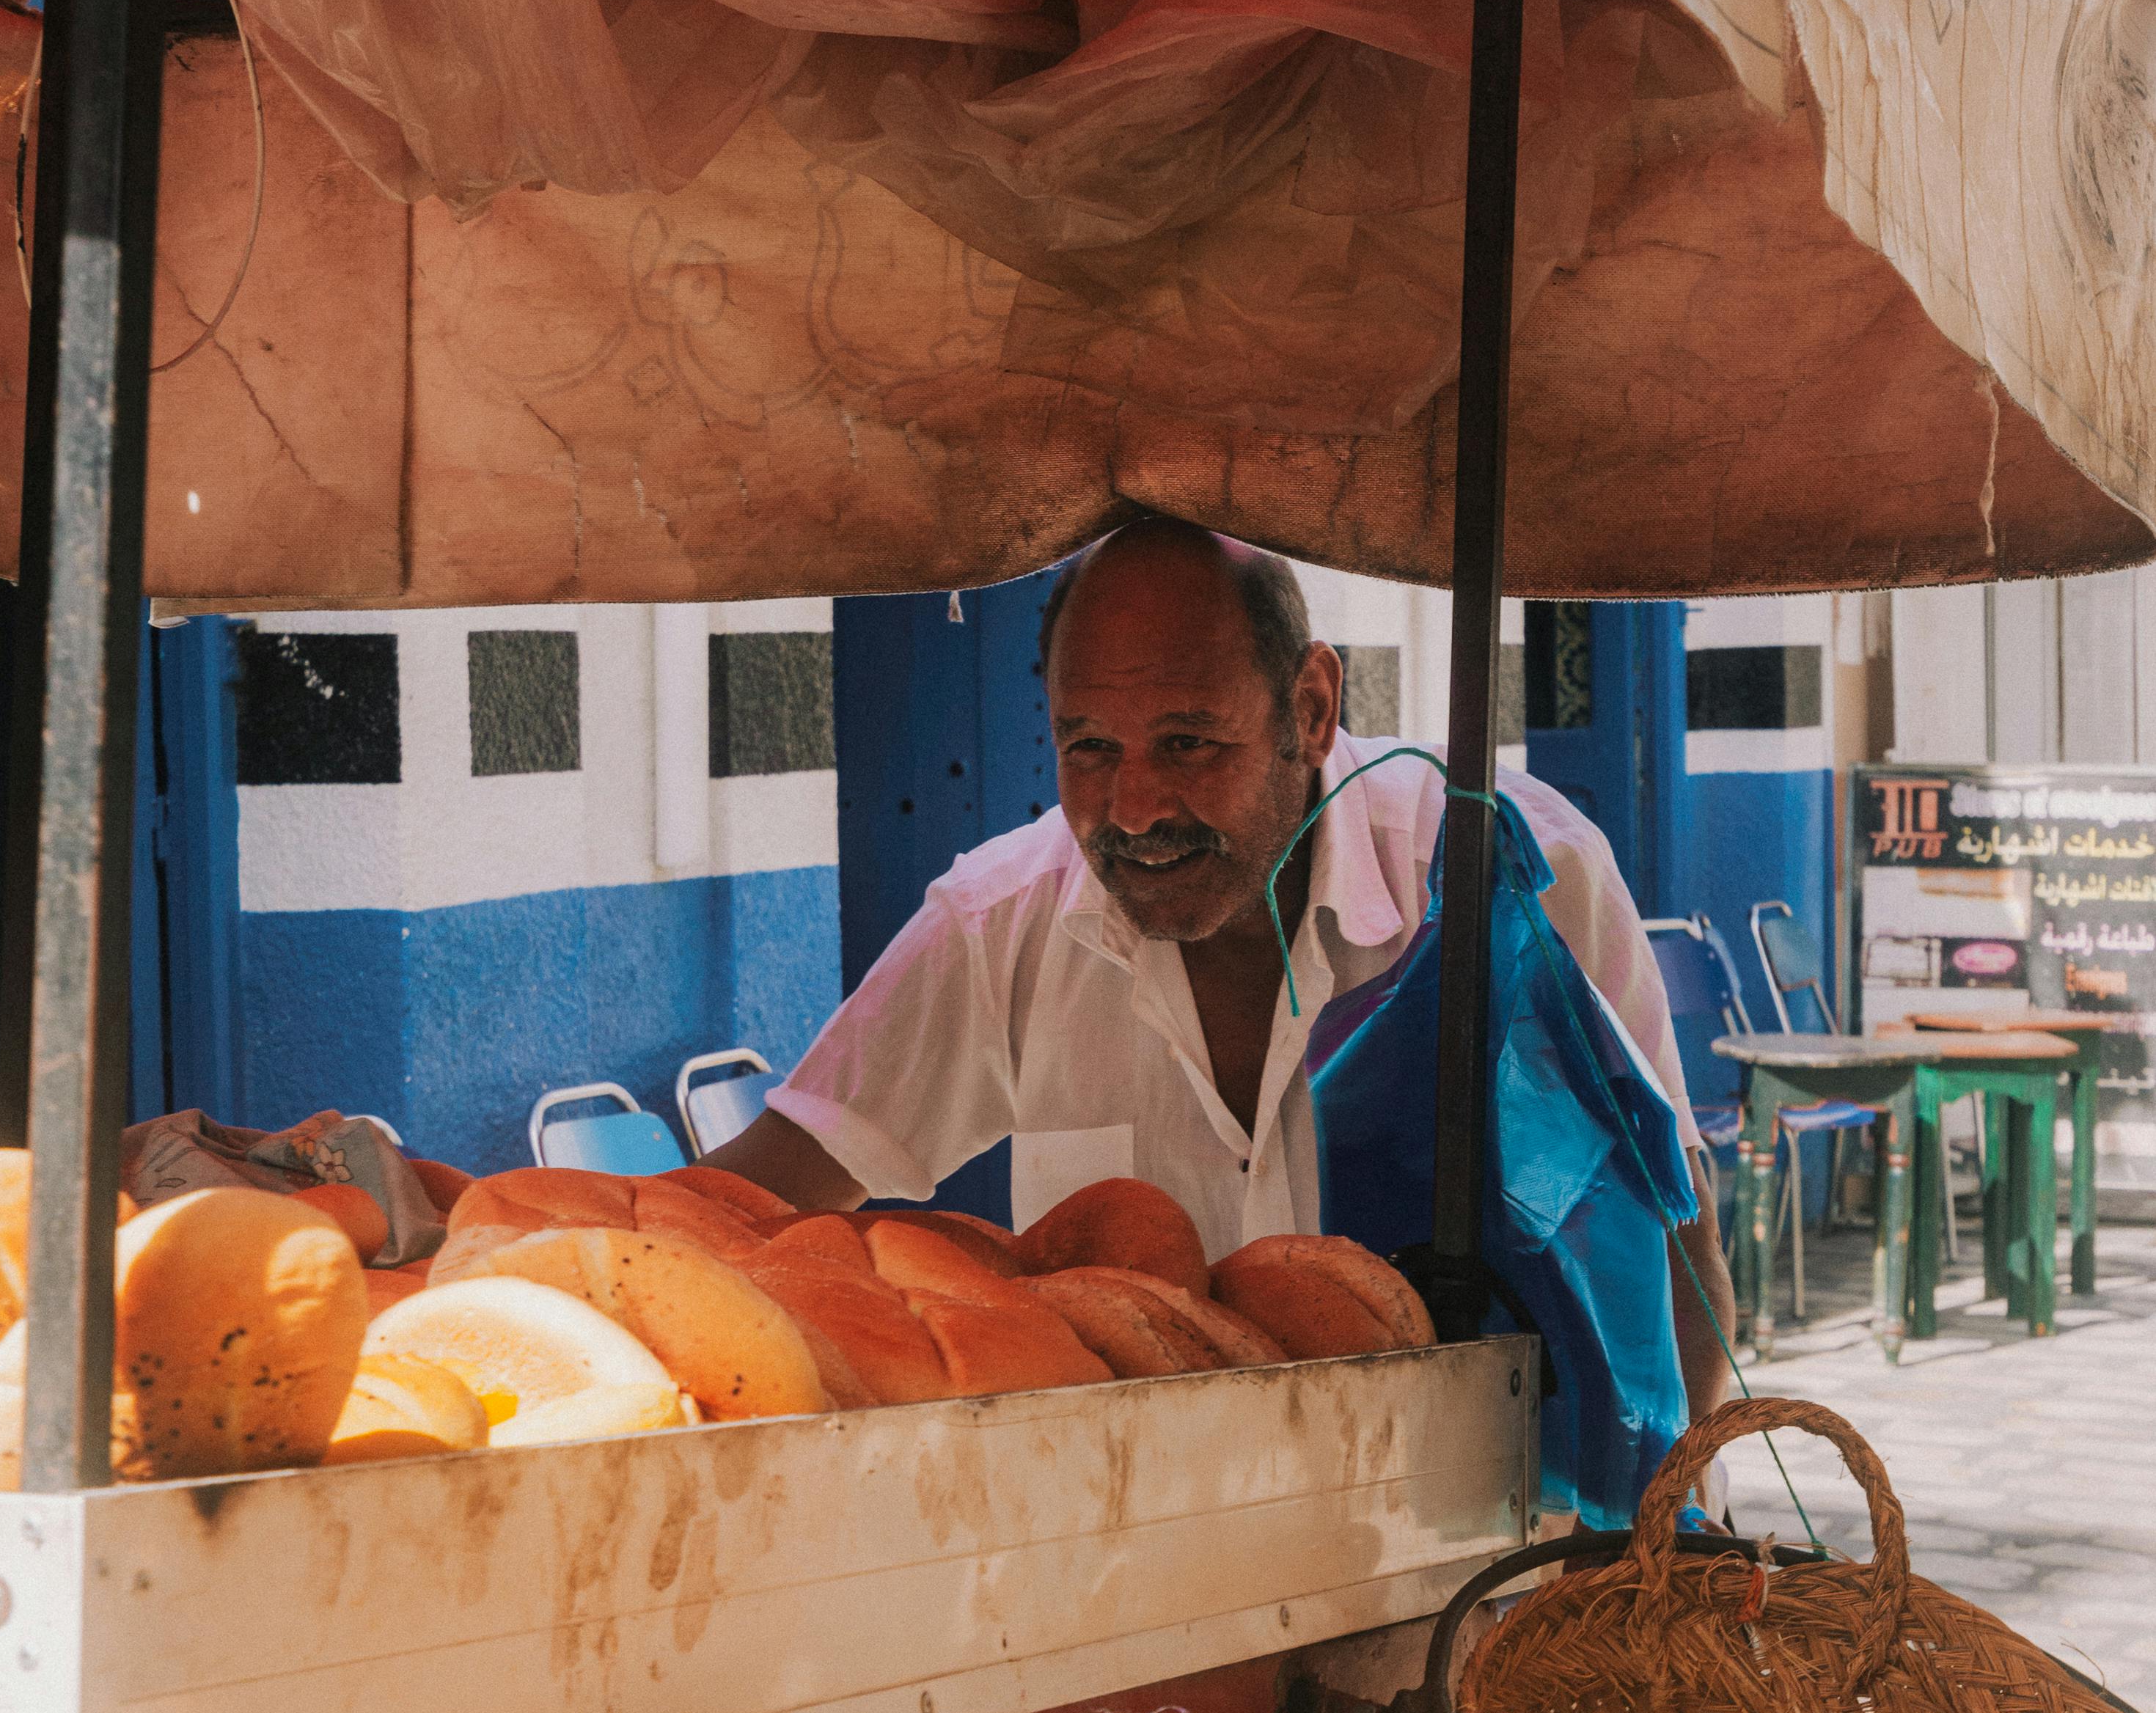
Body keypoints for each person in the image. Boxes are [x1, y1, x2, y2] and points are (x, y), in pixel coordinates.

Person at [709, 520, 1736, 1412]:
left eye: (1189, 743)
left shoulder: (1511, 879)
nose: (1135, 809)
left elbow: (1676, 1254)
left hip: (1491, 1569)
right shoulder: (999, 924)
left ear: (1313, 709)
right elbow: (740, 1210)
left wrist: (1644, 1543)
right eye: (1089, 748)